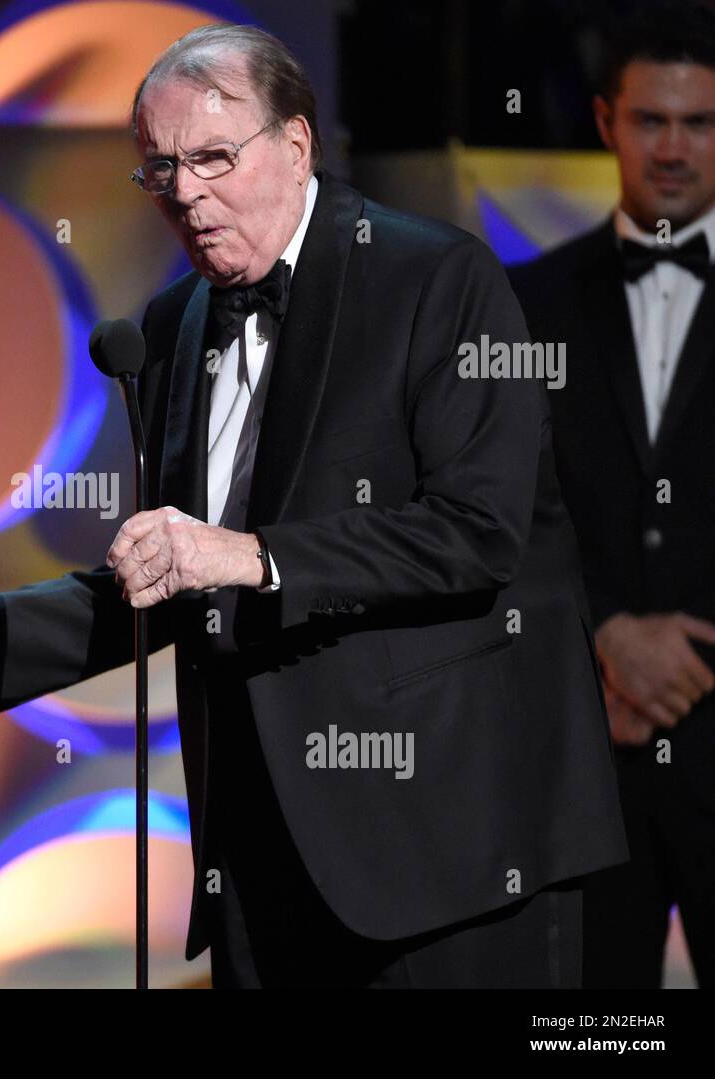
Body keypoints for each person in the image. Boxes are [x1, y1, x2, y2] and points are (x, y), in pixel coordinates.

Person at [0, 23, 627, 988]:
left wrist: (250, 556)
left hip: (449, 851)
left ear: (296, 144)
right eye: (159, 170)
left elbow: (477, 533)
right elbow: (170, 572)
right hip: (257, 861)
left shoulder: (433, 279)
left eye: (210, 157)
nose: (186, 193)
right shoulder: (174, 324)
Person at [509, 1, 715, 988]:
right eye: (649, 120)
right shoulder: (520, 301)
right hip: (581, 761)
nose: (672, 148)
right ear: (604, 122)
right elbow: (494, 509)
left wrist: (682, 650)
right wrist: (602, 635)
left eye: (699, 122)